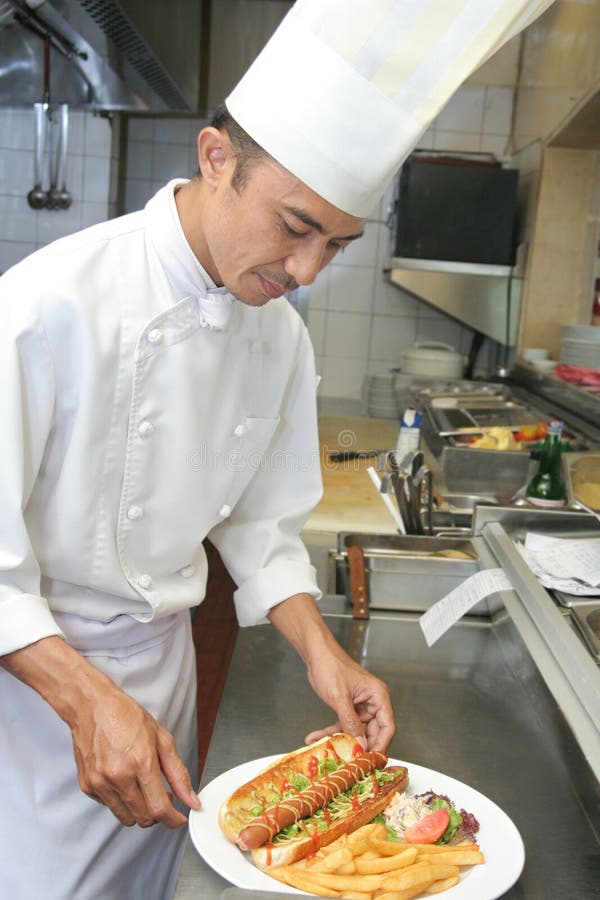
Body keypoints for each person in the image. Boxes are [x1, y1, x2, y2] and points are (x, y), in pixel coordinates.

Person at [0, 0, 554, 897]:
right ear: (215, 157)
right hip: (37, 703)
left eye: (336, 245)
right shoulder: (42, 307)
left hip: (161, 682)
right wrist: (85, 697)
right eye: (296, 227)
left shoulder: (278, 337)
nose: (304, 273)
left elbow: (262, 530)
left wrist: (320, 652)